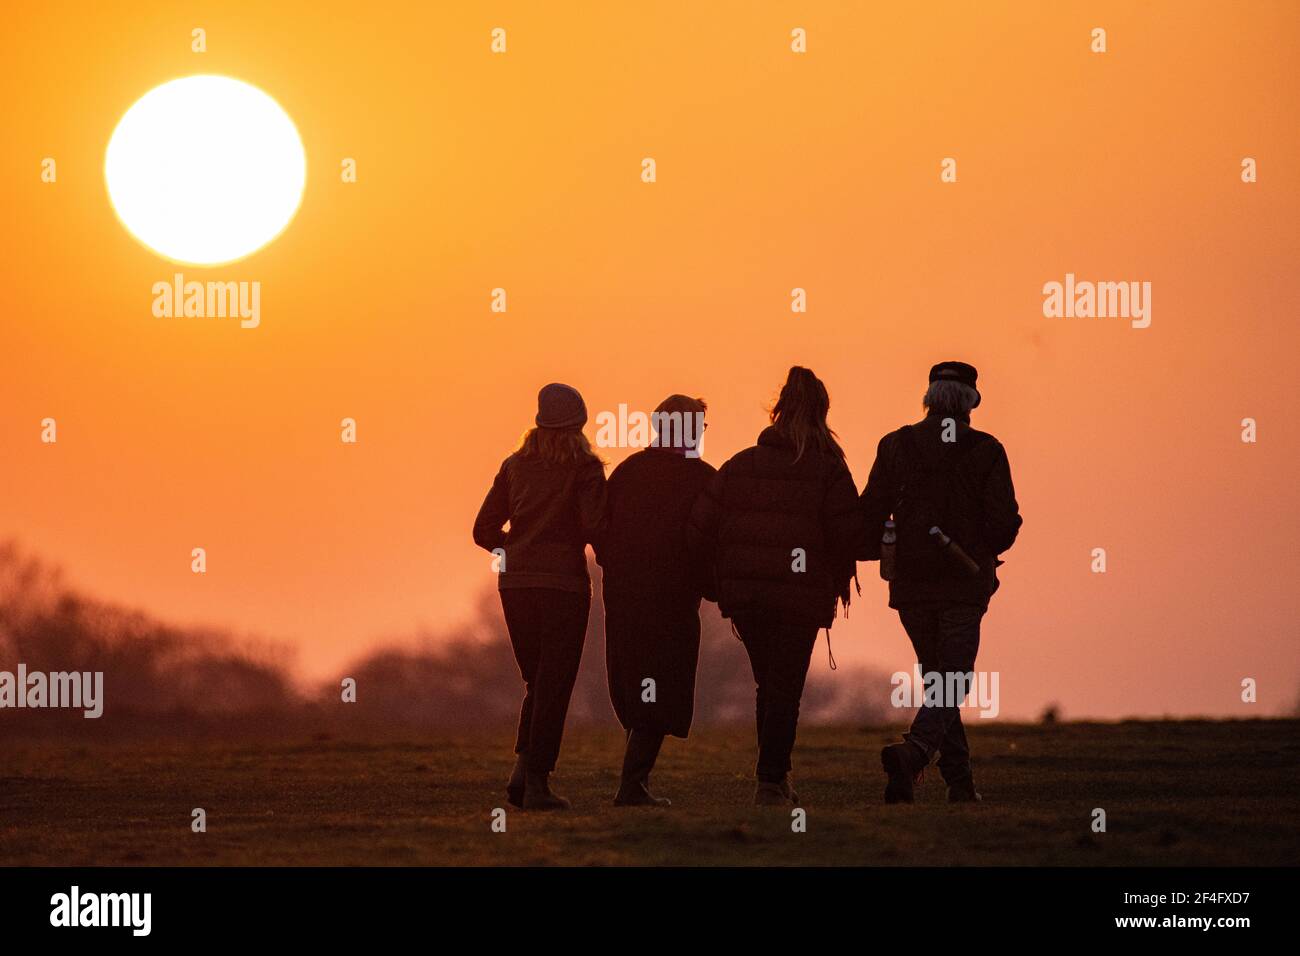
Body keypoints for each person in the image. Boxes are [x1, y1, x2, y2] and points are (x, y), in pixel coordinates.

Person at [688, 367, 861, 806]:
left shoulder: (738, 466)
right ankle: (771, 779)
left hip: (747, 599)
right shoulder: (828, 469)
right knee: (784, 687)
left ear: (778, 410)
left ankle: (773, 777)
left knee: (770, 684)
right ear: (821, 413)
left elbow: (699, 530)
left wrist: (719, 584)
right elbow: (850, 537)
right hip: (800, 598)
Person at [859, 361, 1022, 803]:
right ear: (970, 402)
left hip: (910, 587)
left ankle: (960, 786)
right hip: (964, 585)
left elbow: (870, 511)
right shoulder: (987, 450)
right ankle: (913, 753)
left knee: (940, 681)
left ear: (929, 397)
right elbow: (1003, 525)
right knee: (952, 679)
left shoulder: (895, 445)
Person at [472, 383, 606, 811]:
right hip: (563, 585)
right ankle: (536, 783)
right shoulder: (585, 468)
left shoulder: (515, 465)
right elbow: (593, 526)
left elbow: (483, 530)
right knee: (554, 683)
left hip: (515, 583)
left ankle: (522, 773)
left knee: (537, 681)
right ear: (579, 424)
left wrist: (512, 548)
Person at [595, 395, 716, 807]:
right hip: (673, 602)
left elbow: (600, 531)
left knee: (633, 686)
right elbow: (712, 542)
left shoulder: (628, 473)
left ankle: (635, 782)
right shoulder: (702, 478)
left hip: (624, 599)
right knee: (662, 688)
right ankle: (631, 786)